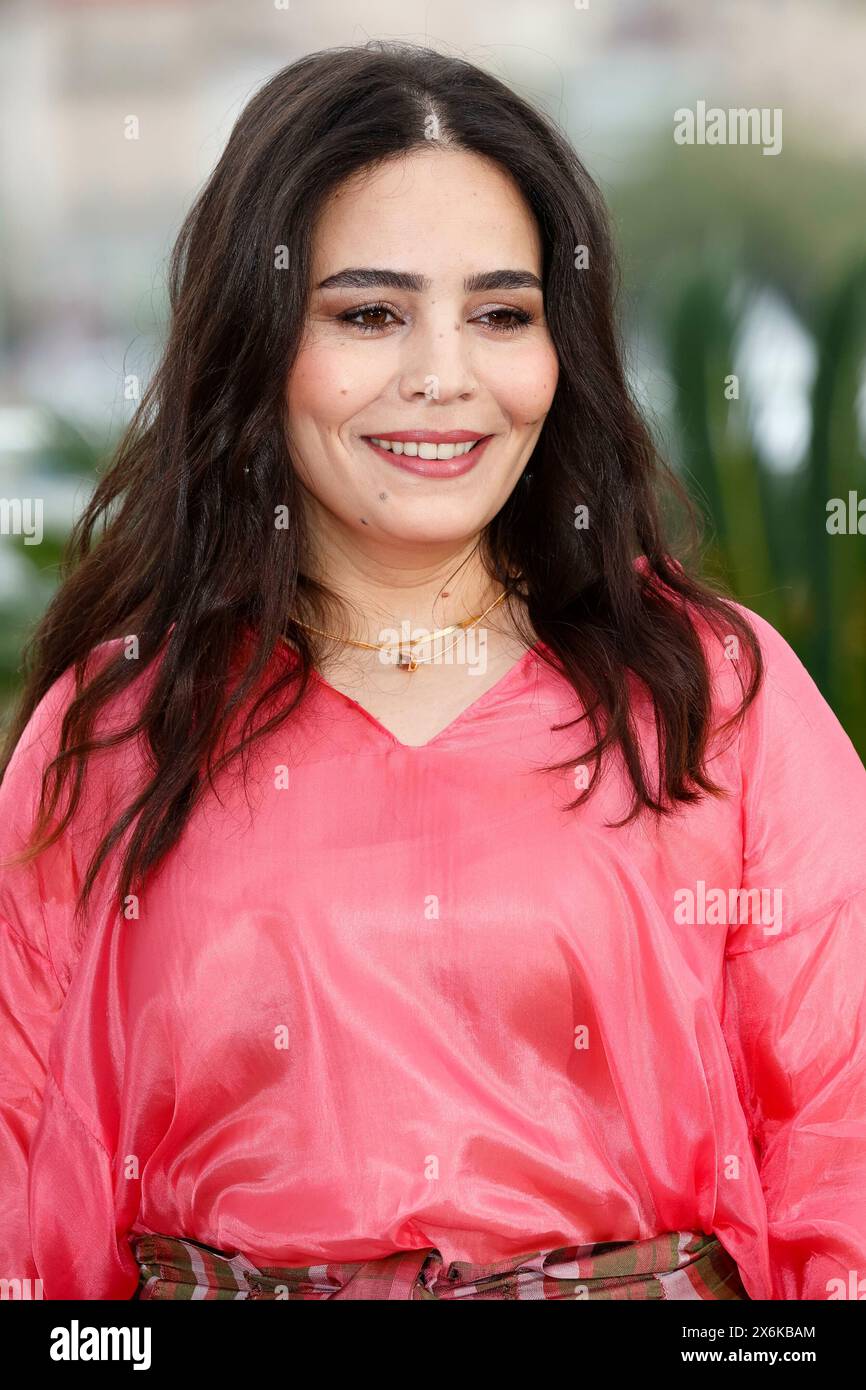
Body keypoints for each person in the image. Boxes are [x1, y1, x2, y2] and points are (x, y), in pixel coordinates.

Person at [1, 42, 864, 1303]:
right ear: (256, 343)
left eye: (501, 313)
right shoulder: (122, 726)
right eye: (369, 313)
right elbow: (27, 1172)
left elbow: (840, 1139)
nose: (444, 376)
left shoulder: (711, 697)